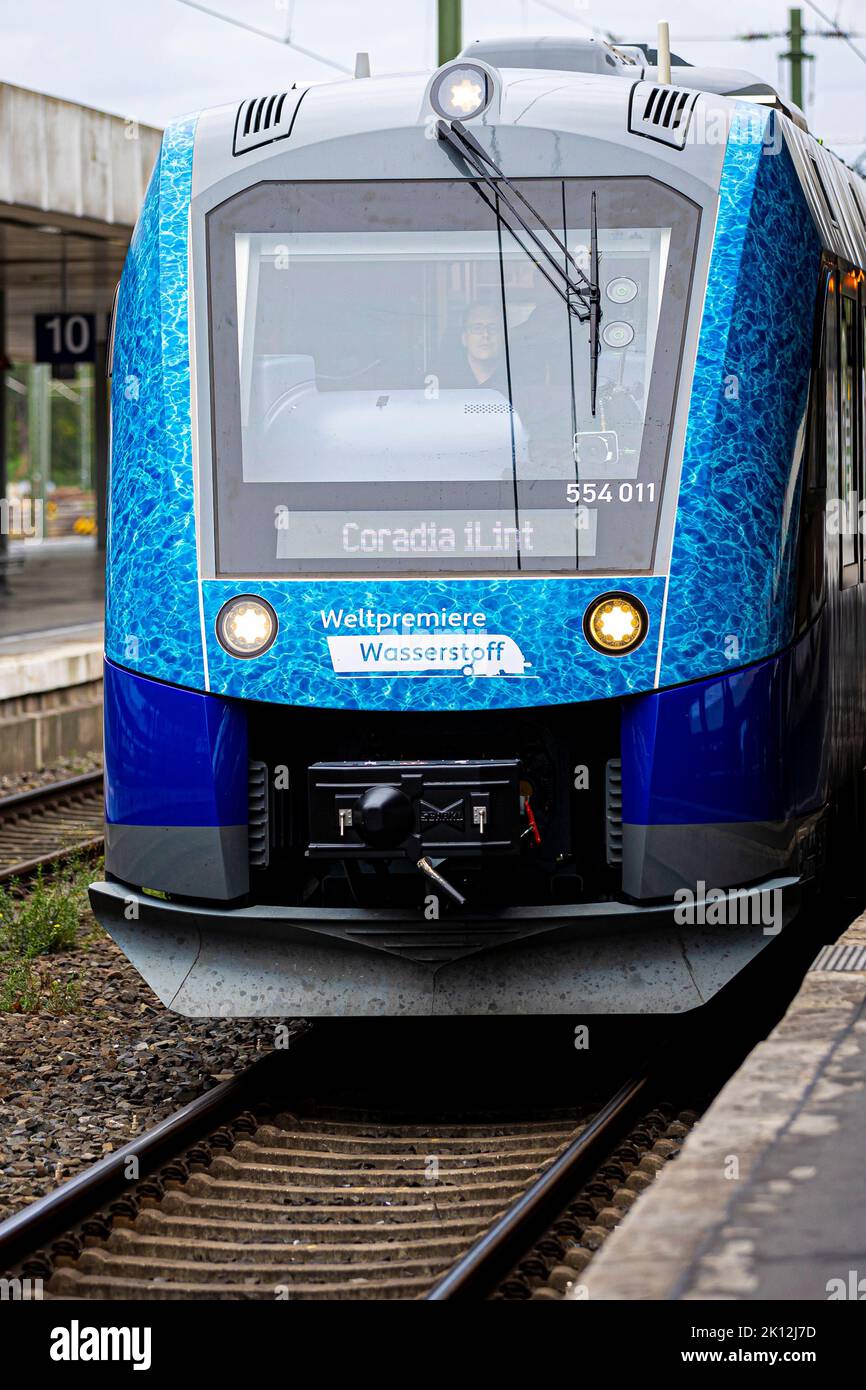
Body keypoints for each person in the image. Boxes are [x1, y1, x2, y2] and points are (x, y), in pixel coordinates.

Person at [436, 301, 509, 391]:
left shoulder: (518, 382)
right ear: (464, 338)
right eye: (477, 328)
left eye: (493, 328)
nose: (485, 335)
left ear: (504, 337)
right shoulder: (441, 383)